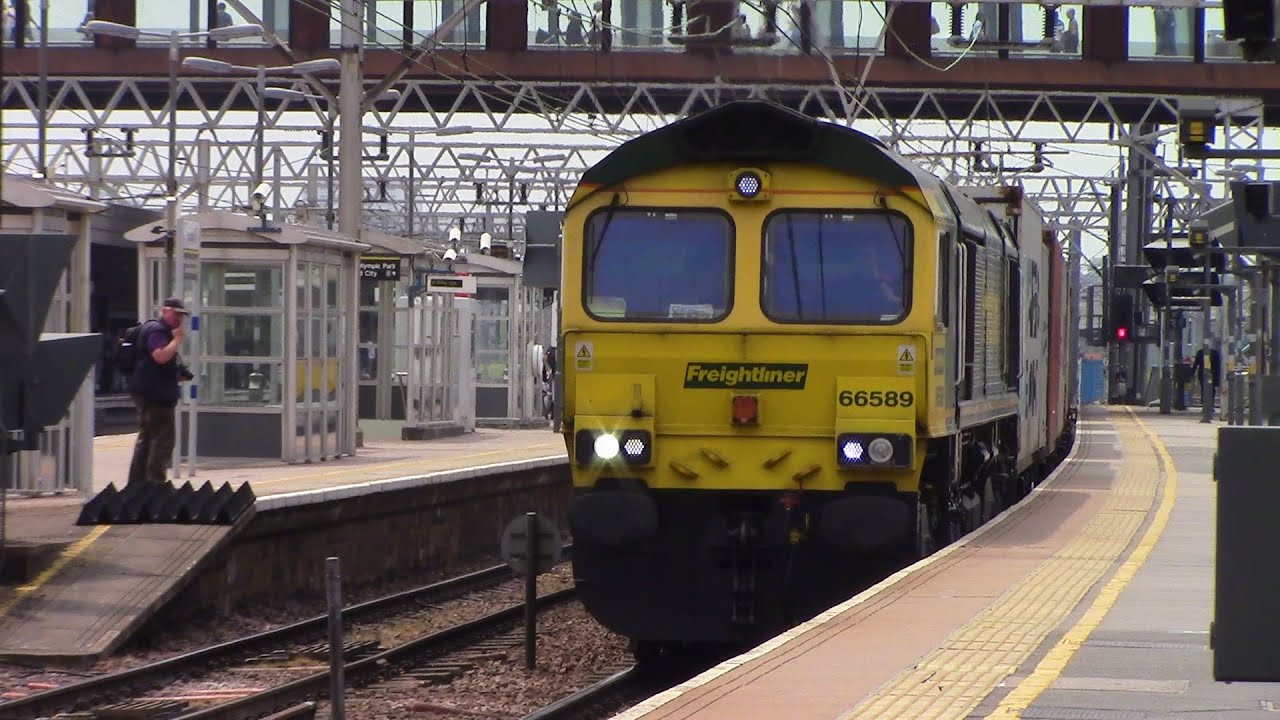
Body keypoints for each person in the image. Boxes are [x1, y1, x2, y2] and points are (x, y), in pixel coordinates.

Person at [127, 298, 192, 485]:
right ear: (164, 311)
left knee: (146, 439)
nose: (179, 319)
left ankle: (137, 484)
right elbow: (160, 356)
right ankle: (155, 484)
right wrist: (178, 340)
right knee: (163, 441)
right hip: (156, 395)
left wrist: (177, 374)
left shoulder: (155, 330)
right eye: (176, 314)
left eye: (181, 315)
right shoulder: (157, 331)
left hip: (148, 391)